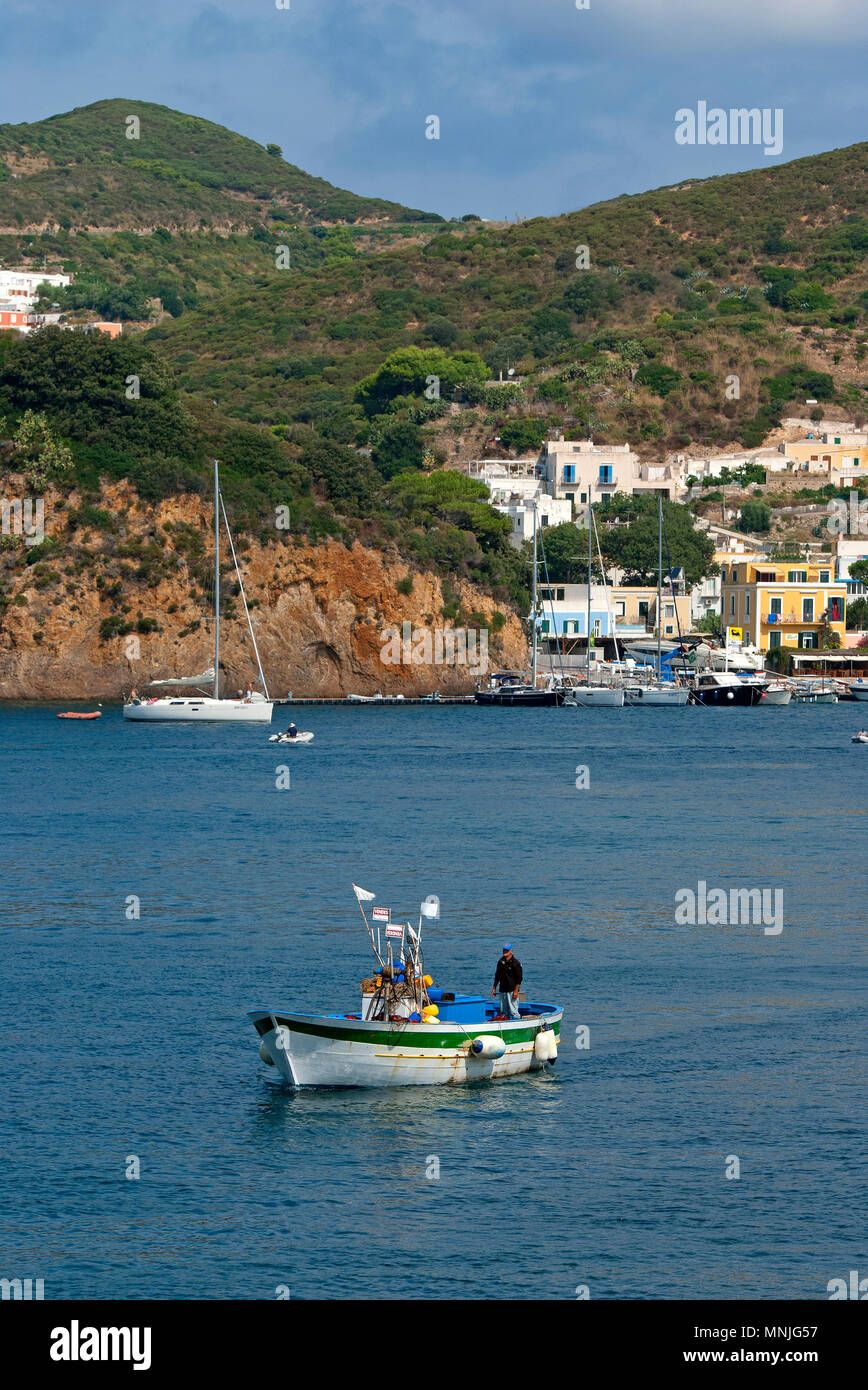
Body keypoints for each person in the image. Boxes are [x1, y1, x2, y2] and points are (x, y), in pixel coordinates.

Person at [492, 942, 522, 1019]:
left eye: (507, 950)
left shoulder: (516, 963)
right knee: (503, 1012)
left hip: (512, 990)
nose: (505, 952)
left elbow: (519, 978)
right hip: (502, 989)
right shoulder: (500, 962)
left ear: (511, 951)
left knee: (513, 1011)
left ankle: (517, 1023)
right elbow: (497, 976)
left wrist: (516, 991)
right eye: (504, 950)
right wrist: (494, 988)